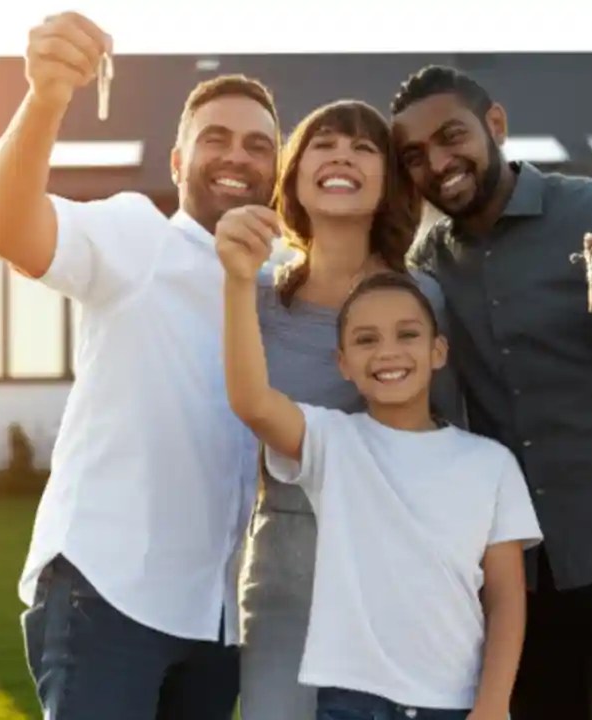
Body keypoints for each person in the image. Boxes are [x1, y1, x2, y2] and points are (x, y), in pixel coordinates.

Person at [0, 10, 281, 719]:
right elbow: (4, 225)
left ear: (275, 170)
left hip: (219, 617)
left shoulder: (281, 282)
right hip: (108, 594)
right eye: (216, 140)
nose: (237, 156)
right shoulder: (136, 234)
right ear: (179, 163)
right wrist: (47, 96)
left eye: (258, 146)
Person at [390, 64, 592, 720]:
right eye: (415, 156)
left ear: (497, 125)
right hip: (523, 581)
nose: (438, 162)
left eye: (452, 136)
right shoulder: (425, 268)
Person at [218, 204, 544, 720]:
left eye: (407, 335)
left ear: (438, 352)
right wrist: (238, 281)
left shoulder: (491, 464)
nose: (388, 352)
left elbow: (506, 598)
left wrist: (494, 703)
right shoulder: (332, 444)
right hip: (352, 703)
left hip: (453, 704)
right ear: (343, 364)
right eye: (366, 340)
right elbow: (252, 402)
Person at [234, 99, 464, 720]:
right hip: (284, 561)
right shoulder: (256, 297)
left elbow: (448, 445)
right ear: (295, 174)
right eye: (324, 143)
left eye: (364, 148)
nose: (342, 155)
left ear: (388, 181)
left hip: (392, 568)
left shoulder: (422, 298)